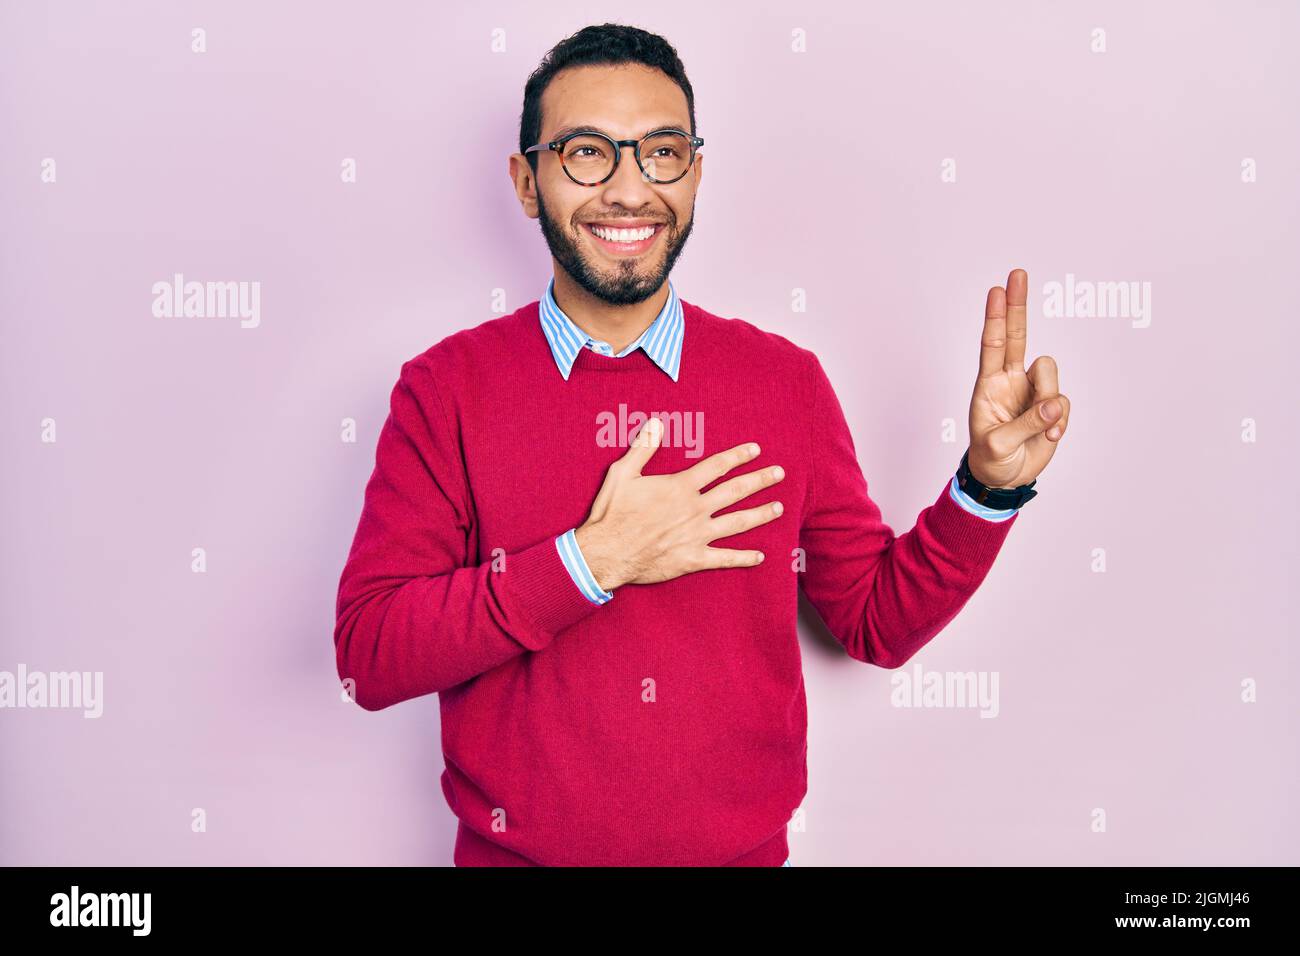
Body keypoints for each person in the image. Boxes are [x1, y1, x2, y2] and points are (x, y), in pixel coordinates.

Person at [333, 23, 1070, 867]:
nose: (627, 188)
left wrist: (986, 489)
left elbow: (872, 622)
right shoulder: (446, 389)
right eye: (585, 153)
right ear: (527, 182)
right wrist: (590, 562)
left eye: (662, 152)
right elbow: (371, 652)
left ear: (695, 175)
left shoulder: (783, 383)